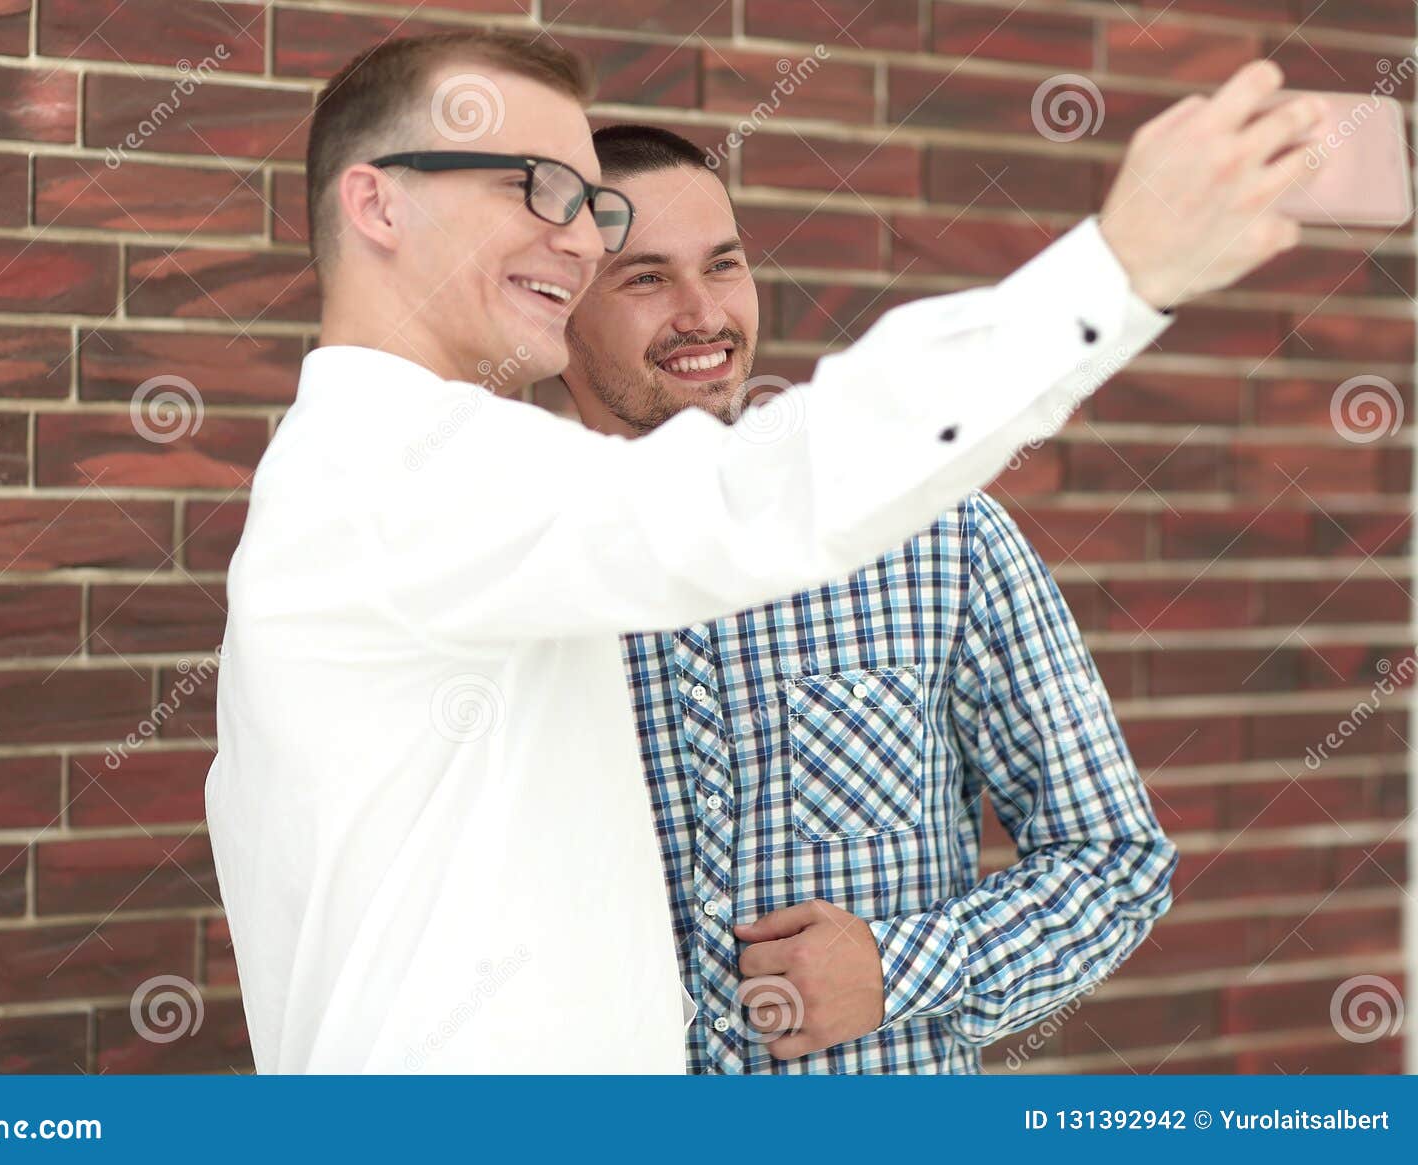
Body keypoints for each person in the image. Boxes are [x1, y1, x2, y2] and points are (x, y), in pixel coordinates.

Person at [202, 27, 1327, 1072]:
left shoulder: (491, 498)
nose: (574, 237)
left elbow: (1107, 857)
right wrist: (1116, 271)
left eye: (590, 209)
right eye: (536, 189)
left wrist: (900, 970)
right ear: (378, 204)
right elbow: (755, 500)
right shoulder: (403, 477)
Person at [559, 124, 1178, 1073]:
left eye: (722, 266)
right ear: (558, 306)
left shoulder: (935, 536)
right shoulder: (516, 568)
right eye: (644, 278)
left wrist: (899, 968)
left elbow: (1114, 862)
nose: (701, 313)